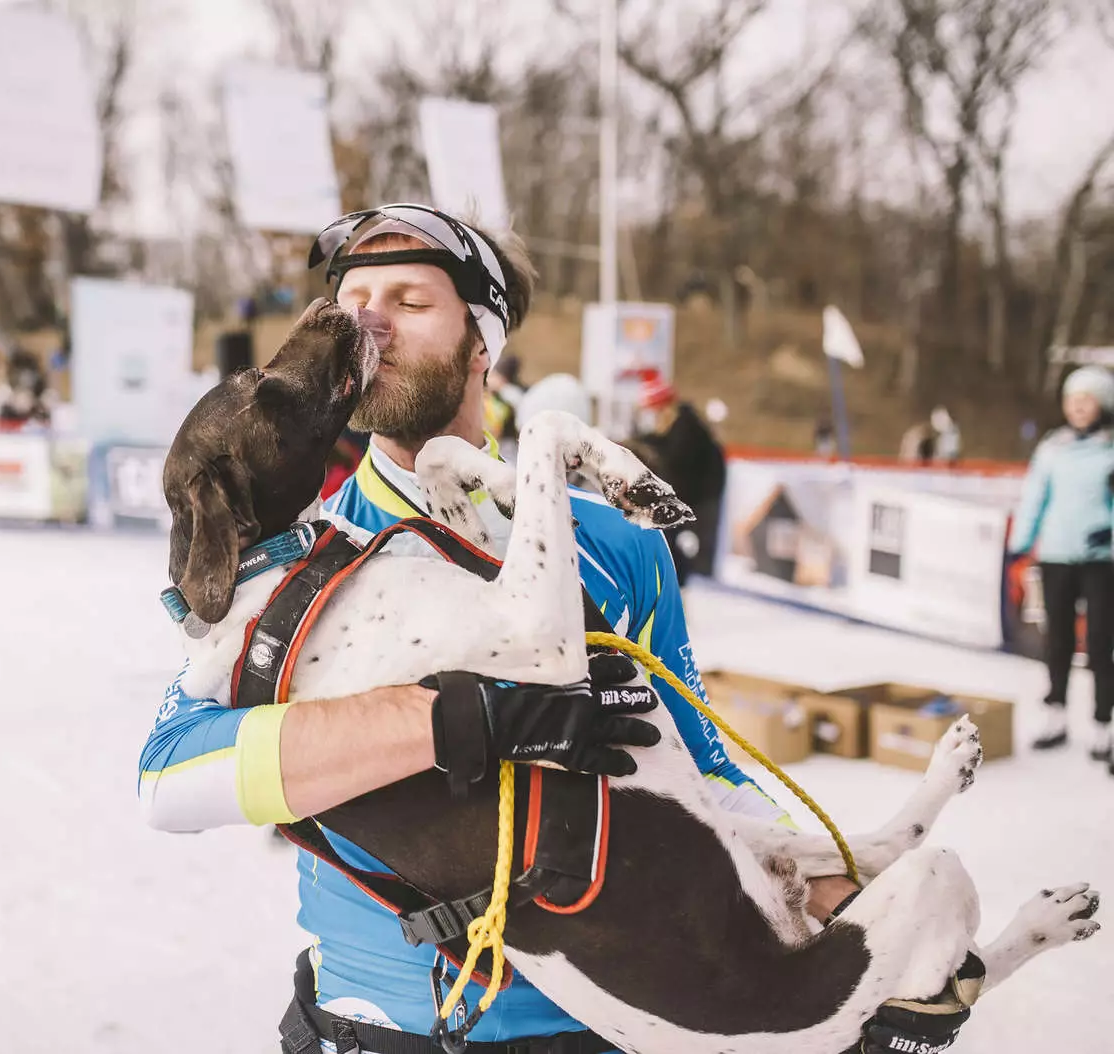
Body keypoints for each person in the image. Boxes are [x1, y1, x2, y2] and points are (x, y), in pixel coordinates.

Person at [138, 205, 961, 1054]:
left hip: (604, 1020)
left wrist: (834, 908)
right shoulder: (295, 563)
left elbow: (697, 763)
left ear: (482, 341)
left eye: (411, 302)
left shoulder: (615, 545)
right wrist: (448, 722)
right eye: (354, 300)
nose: (370, 320)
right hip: (376, 1020)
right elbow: (166, 777)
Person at [1008, 365, 1114, 768]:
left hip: (1102, 562)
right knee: (1059, 640)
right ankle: (1055, 716)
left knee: (1102, 643)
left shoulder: (1110, 450)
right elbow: (1036, 495)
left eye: (1086, 400)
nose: (1078, 407)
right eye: (1073, 400)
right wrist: (1020, 543)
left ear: (1102, 404)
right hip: (1055, 556)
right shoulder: (1053, 448)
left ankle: (1104, 722)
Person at [630, 372, 727, 584]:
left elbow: (672, 464)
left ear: (665, 409)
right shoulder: (679, 427)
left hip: (701, 502)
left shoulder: (686, 431)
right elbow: (659, 441)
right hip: (696, 499)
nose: (654, 421)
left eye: (655, 414)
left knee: (684, 554)